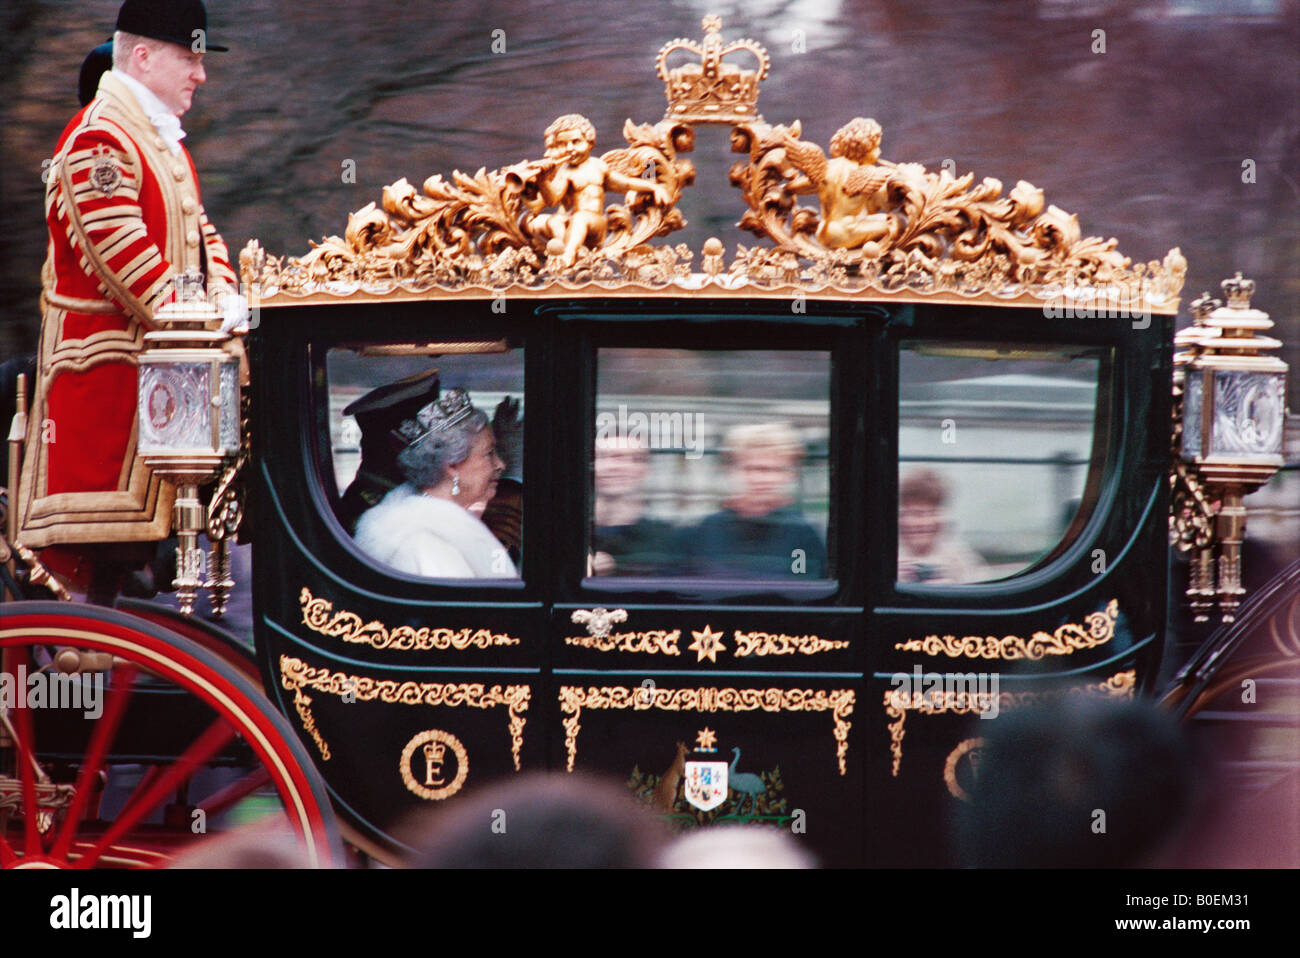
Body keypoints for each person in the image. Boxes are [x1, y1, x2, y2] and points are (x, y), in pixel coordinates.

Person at [16, 0, 245, 599]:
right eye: (189, 60)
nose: (200, 75)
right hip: (108, 386)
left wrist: (227, 299)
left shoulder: (159, 142)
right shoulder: (98, 140)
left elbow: (203, 238)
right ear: (142, 57)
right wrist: (212, 323)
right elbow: (131, 270)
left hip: (153, 386)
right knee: (90, 590)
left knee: (119, 586)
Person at [353, 388, 517, 578]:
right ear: (453, 465)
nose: (500, 464)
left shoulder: (435, 528)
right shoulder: (423, 546)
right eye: (489, 453)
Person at [683, 423, 827, 579]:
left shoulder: (803, 535)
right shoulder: (701, 533)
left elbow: (806, 591)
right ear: (730, 471)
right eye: (750, 468)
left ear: (791, 476)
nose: (761, 479)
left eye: (774, 470)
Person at [336, 368, 441, 535]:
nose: (437, 447)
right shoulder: (369, 507)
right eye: (426, 437)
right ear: (399, 440)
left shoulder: (402, 489)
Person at [590, 434, 677, 576]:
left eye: (634, 459)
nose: (616, 467)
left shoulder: (668, 538)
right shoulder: (567, 533)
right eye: (604, 457)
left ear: (647, 469)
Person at [897, 469, 988, 584]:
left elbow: (981, 590)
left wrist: (953, 589)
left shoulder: (960, 557)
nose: (925, 523)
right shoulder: (885, 554)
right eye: (916, 514)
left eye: (932, 513)